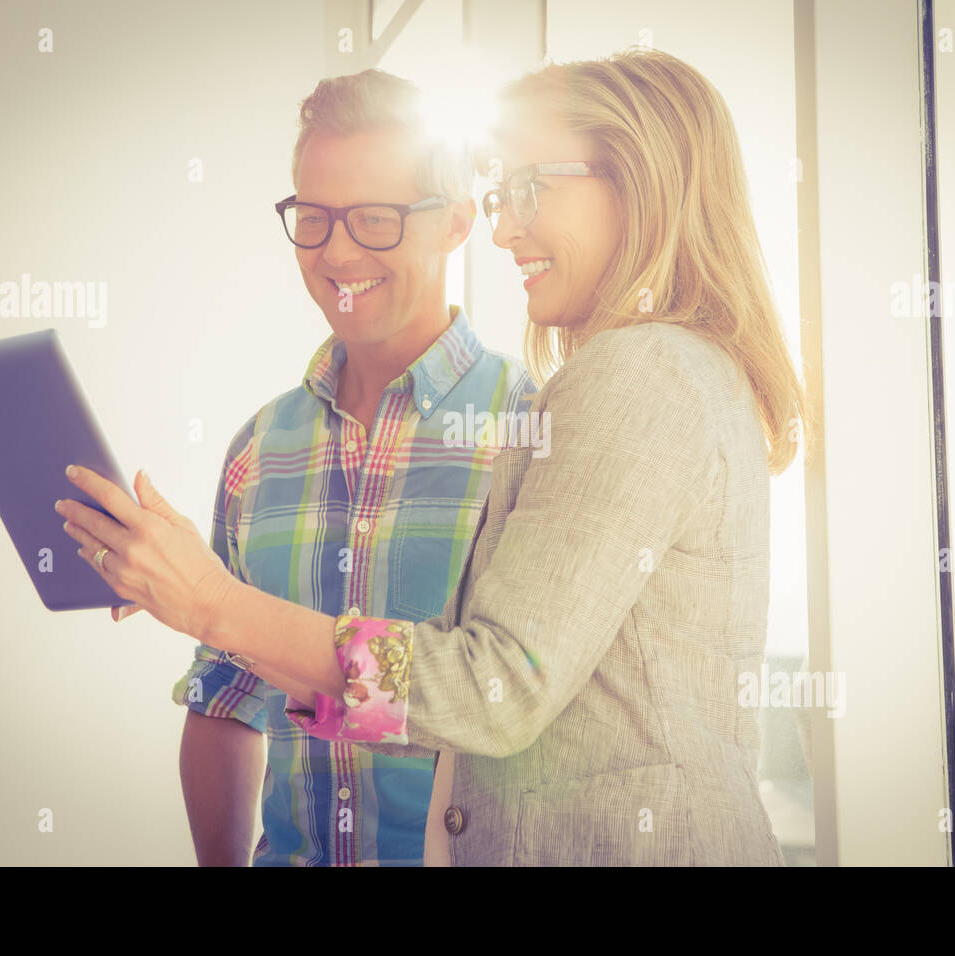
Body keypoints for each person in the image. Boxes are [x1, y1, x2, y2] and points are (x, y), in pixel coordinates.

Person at [58, 47, 808, 865]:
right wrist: (221, 619)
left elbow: (495, 691)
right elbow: (492, 701)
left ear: (638, 179)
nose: (505, 226)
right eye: (500, 194)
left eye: (529, 189)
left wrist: (213, 602)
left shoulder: (628, 378)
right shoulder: (667, 370)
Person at [139, 69, 534, 866]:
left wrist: (213, 601)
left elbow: (514, 695)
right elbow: (225, 696)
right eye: (313, 218)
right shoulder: (259, 449)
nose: (337, 252)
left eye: (376, 220)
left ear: (456, 223)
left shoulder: (533, 430)